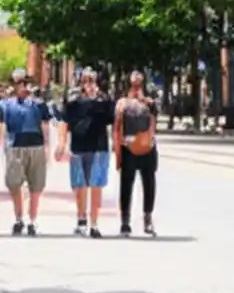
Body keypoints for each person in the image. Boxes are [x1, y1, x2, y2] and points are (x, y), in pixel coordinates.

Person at [57, 67, 114, 238]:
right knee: (80, 185)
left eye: (92, 80)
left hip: (99, 147)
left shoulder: (104, 99)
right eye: (85, 80)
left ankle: (94, 223)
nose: (88, 84)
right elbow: (64, 121)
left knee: (96, 185)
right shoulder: (73, 99)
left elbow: (113, 121)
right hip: (78, 146)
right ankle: (81, 219)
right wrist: (62, 143)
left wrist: (117, 145)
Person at [1, 68, 52, 236]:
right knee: (13, 183)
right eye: (19, 83)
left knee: (36, 185)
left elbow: (45, 126)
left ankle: (32, 220)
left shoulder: (39, 104)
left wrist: (47, 147)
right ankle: (19, 218)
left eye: (25, 82)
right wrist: (3, 146)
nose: (23, 86)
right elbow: (2, 127)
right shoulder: (5, 105)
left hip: (36, 146)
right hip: (14, 146)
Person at [114, 71, 158, 236]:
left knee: (147, 183)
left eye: (139, 84)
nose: (137, 87)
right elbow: (116, 128)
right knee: (129, 185)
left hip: (142, 148)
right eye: (134, 84)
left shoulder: (148, 103)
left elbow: (154, 120)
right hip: (134, 149)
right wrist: (118, 153)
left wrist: (145, 101)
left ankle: (145, 217)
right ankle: (126, 220)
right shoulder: (123, 104)